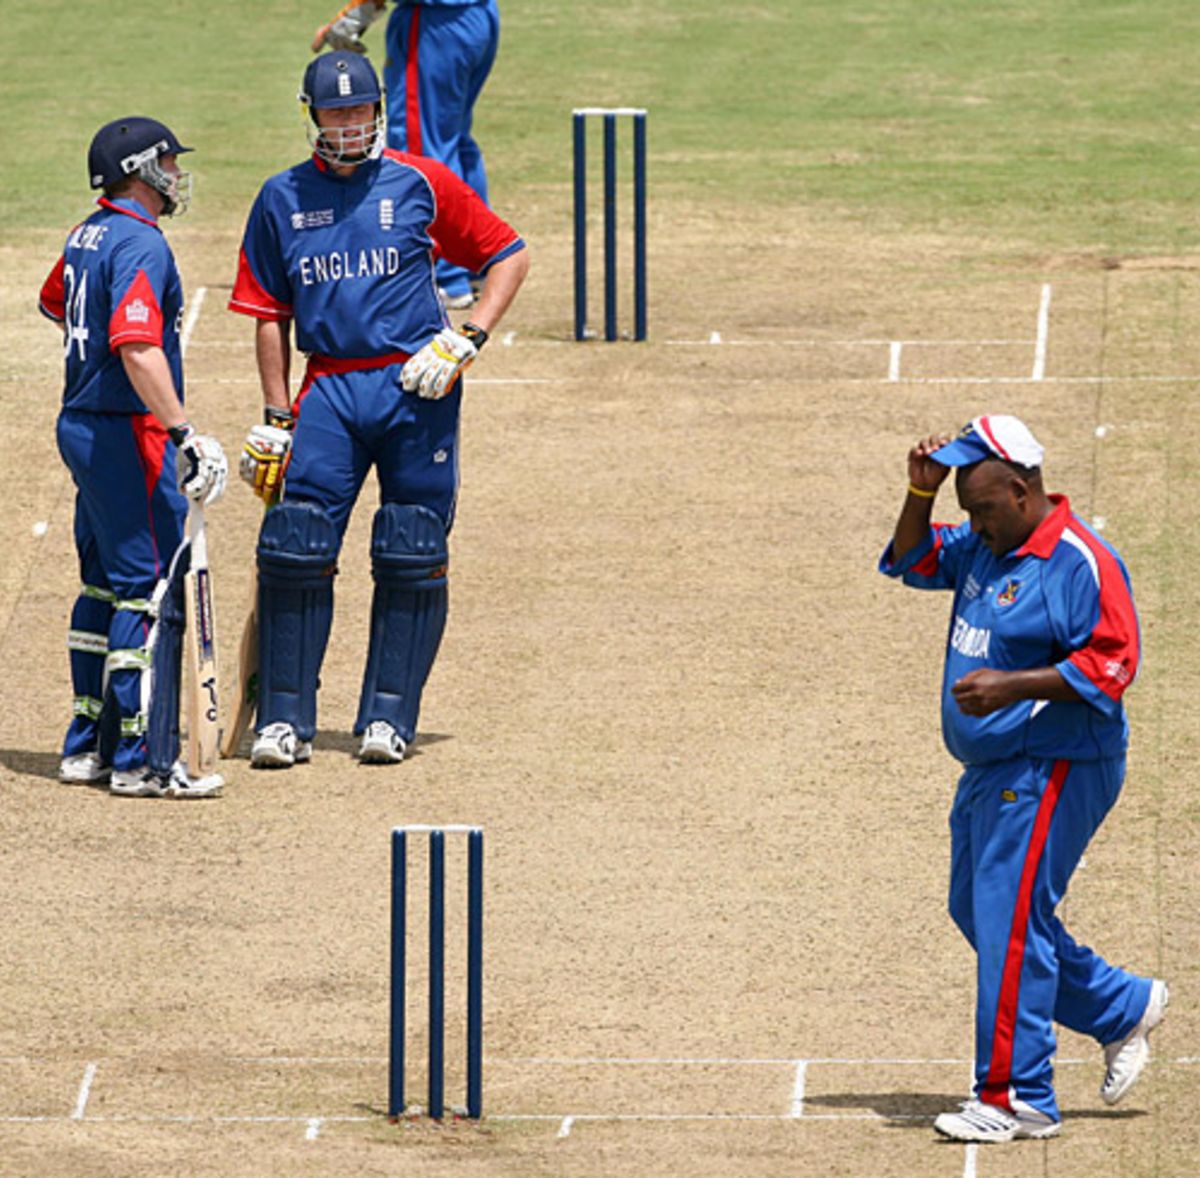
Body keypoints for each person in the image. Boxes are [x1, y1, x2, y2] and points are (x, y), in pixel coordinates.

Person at [228, 51, 527, 770]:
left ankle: (388, 718)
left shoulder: (420, 180)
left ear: (377, 112)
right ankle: (284, 722)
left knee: (411, 547)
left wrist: (467, 337)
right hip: (327, 387)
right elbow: (268, 311)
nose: (349, 125)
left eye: (359, 110)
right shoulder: (280, 197)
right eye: (335, 113)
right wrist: (275, 416)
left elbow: (507, 254)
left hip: (415, 385)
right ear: (312, 118)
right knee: (295, 547)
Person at [879, 414, 1168, 1143]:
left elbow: (1113, 663)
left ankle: (1017, 1097)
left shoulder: (1079, 561)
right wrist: (921, 494)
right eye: (963, 510)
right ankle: (1117, 1007)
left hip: (1058, 762)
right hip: (995, 765)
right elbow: (914, 562)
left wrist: (1011, 687)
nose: (969, 523)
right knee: (979, 913)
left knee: (1009, 924)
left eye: (977, 507)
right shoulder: (986, 544)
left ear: (1019, 490)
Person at [38, 117, 229, 799]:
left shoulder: (85, 231)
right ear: (142, 168)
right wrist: (183, 433)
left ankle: (86, 746)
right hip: (126, 431)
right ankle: (140, 759)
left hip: (81, 427)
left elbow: (54, 300)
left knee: (100, 585)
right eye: (170, 163)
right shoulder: (142, 244)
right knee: (146, 588)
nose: (177, 174)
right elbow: (137, 344)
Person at [311, 0, 501, 308]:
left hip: (435, 23)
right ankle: (475, 261)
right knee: (453, 139)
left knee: (422, 147)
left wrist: (354, 15)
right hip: (477, 16)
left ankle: (447, 276)